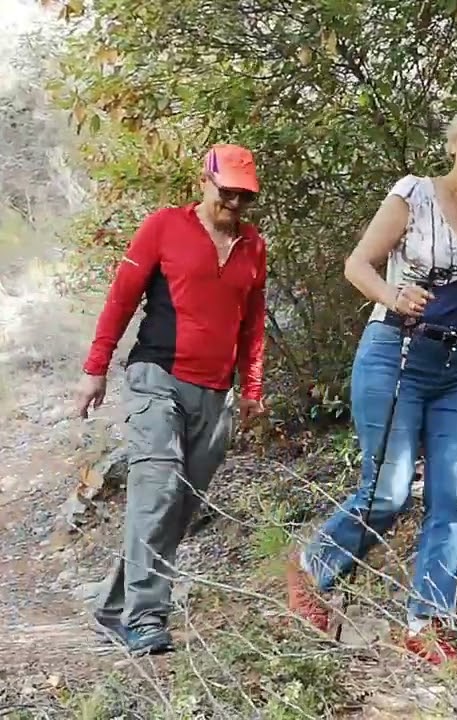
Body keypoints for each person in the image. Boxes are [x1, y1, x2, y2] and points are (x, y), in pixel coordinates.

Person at [285, 102, 457, 668]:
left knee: (452, 498)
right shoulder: (413, 193)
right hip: (395, 355)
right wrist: (393, 296)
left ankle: (428, 625)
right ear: (456, 143)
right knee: (386, 493)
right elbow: (358, 264)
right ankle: (311, 571)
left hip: (456, 370)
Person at [74, 143, 269, 656]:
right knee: (157, 489)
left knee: (180, 507)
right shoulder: (164, 226)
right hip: (155, 375)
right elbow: (122, 298)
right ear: (204, 182)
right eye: (226, 191)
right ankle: (145, 617)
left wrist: (251, 388)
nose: (233, 203)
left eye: (243, 196)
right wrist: (95, 369)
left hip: (216, 391)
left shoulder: (253, 246)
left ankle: (114, 604)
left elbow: (253, 324)